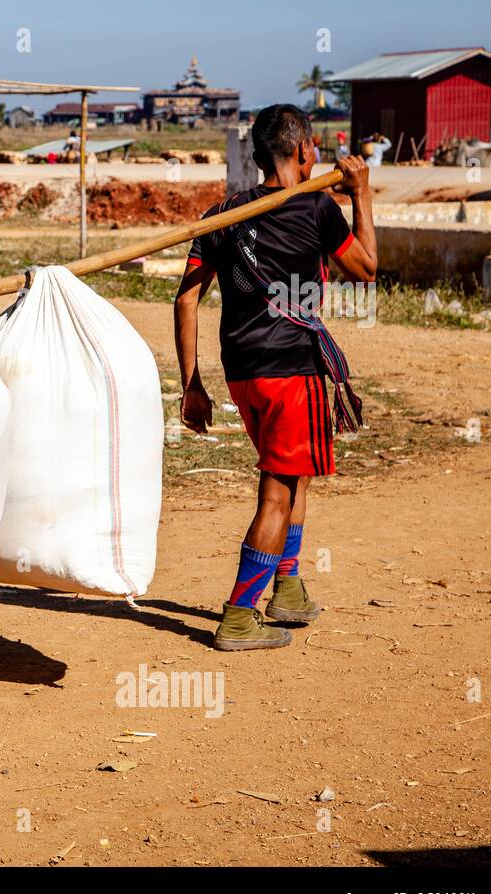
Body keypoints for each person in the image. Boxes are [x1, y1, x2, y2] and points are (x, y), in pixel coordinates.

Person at [172, 104, 376, 651]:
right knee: (277, 494)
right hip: (291, 371)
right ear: (304, 150)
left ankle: (287, 588)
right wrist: (361, 195)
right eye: (313, 147)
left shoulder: (222, 214)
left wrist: (192, 384)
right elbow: (366, 268)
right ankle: (239, 615)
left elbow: (186, 299)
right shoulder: (316, 208)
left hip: (244, 374)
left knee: (294, 477)